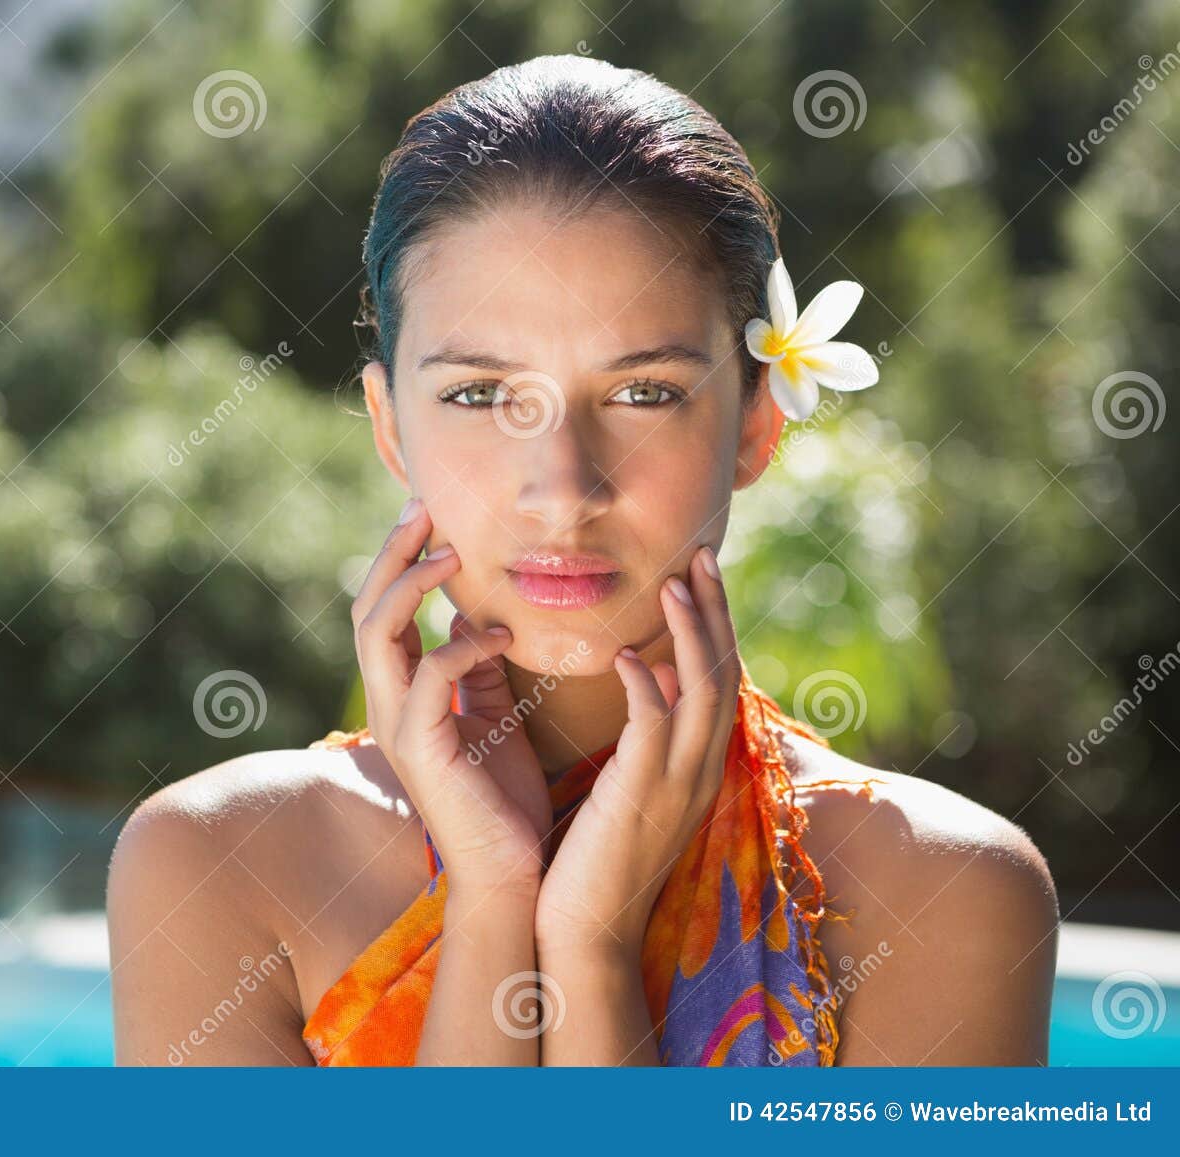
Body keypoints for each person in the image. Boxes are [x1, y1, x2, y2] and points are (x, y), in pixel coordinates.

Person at [106, 54, 1058, 1066]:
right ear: (390, 428)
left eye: (643, 391)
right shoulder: (218, 868)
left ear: (752, 425)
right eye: (480, 394)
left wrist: (594, 942)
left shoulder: (944, 893)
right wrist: (489, 890)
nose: (562, 487)